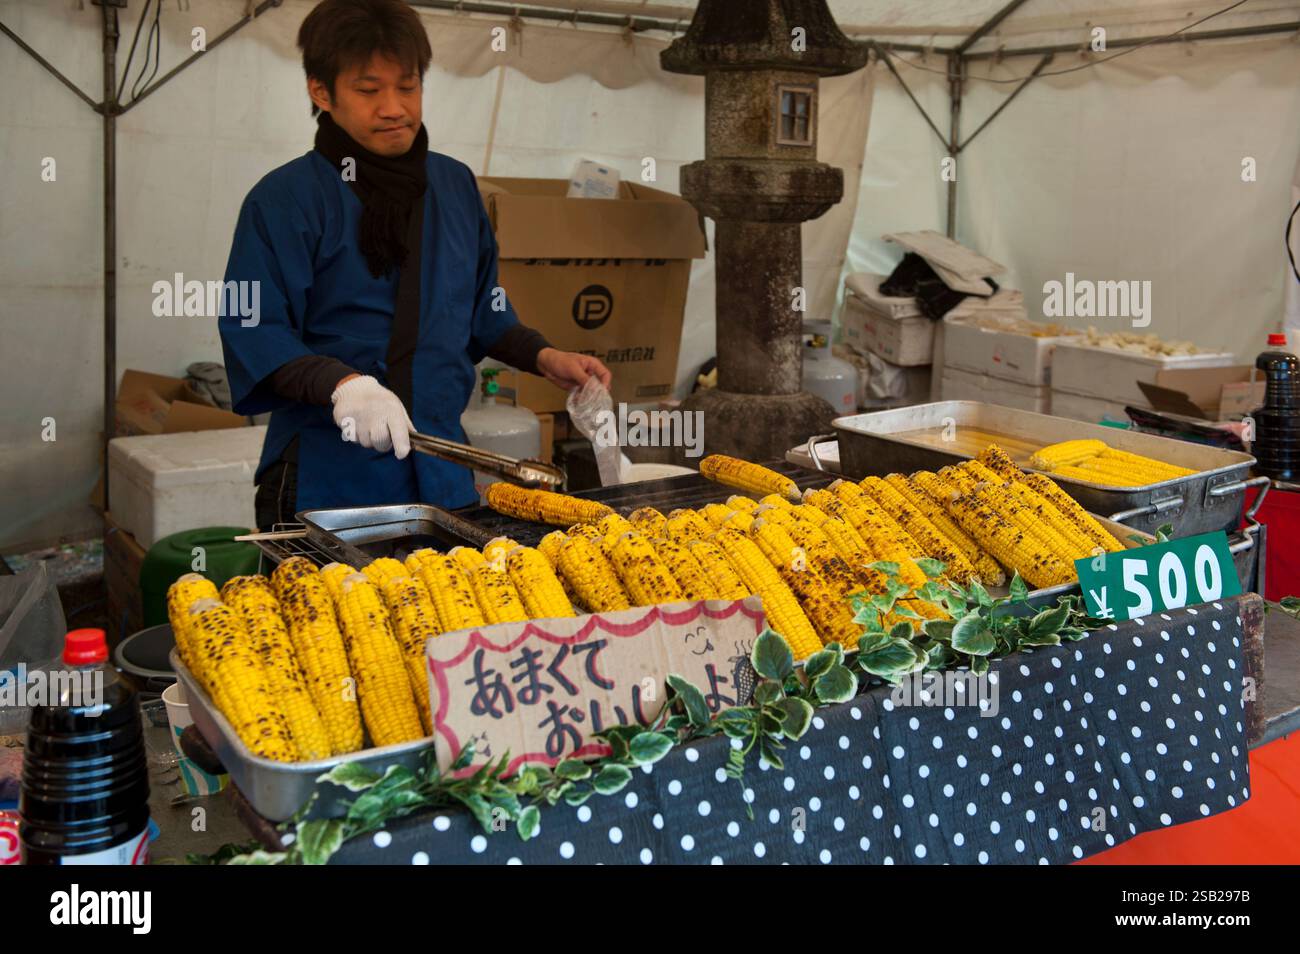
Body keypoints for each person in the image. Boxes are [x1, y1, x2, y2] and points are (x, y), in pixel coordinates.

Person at [218, 0, 609, 528]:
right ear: (320, 91)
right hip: (327, 479)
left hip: (444, 472)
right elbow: (254, 325)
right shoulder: (284, 200)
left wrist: (543, 355)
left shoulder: (455, 186)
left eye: (408, 86)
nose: (394, 107)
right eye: (368, 89)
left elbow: (482, 308)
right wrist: (343, 384)